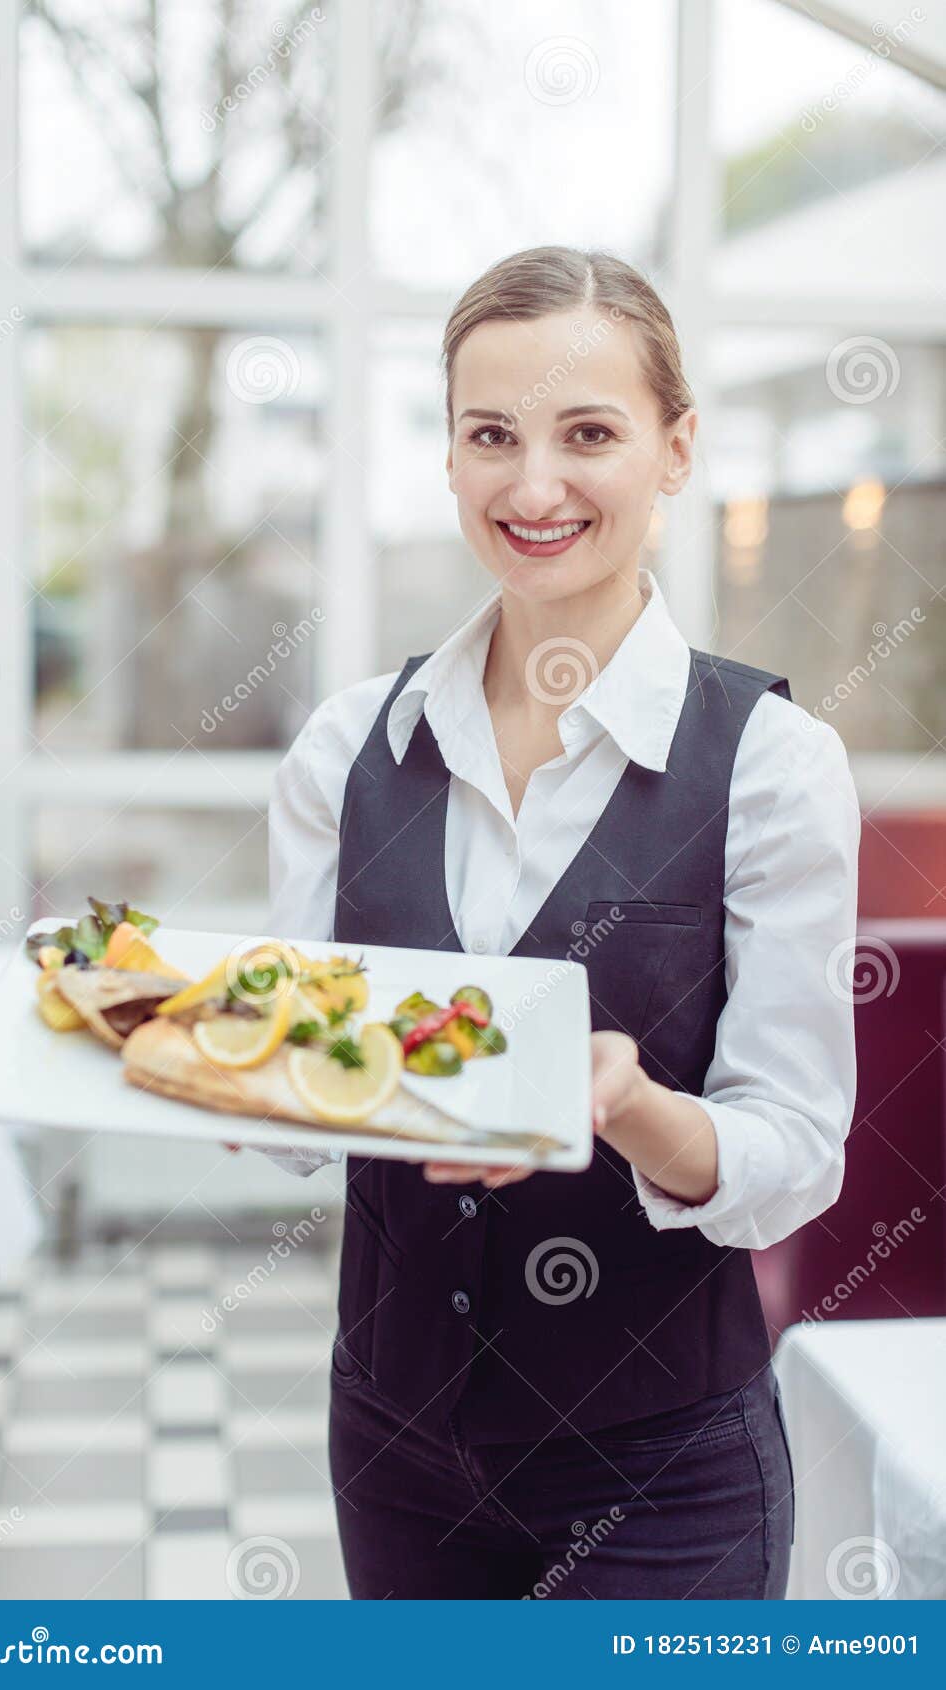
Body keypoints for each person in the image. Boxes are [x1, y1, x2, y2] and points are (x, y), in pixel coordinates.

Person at [259, 246, 859, 1599]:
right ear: (454, 457)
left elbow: (801, 1148)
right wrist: (160, 1033)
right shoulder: (350, 745)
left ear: (675, 448)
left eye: (588, 432)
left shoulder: (770, 763)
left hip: (663, 1476)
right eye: (492, 436)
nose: (534, 487)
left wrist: (633, 1105)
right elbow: (292, 1099)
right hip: (397, 1445)